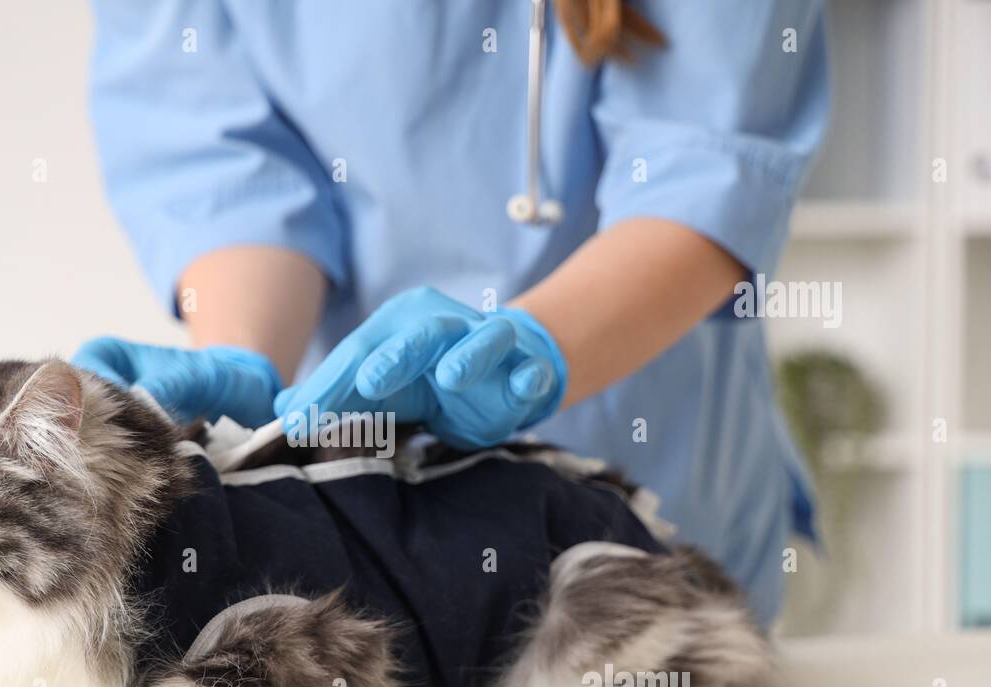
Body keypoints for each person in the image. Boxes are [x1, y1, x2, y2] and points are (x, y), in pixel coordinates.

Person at [73, 0, 829, 629]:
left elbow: (704, 168)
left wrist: (533, 347)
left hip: (652, 483)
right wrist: (244, 360)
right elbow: (229, 170)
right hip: (359, 488)